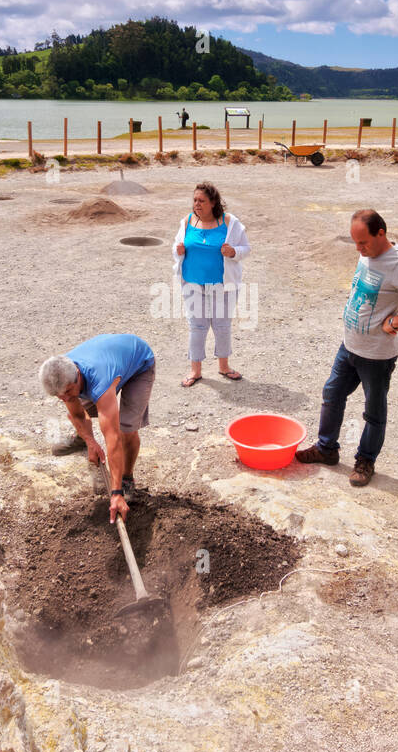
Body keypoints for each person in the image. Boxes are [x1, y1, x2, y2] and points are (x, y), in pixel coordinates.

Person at [296, 209, 398, 487]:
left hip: (376, 355)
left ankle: (365, 460)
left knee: (374, 411)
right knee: (332, 393)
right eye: (355, 243)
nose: (359, 249)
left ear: (381, 234)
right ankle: (326, 449)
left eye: (363, 242)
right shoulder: (369, 253)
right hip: (349, 345)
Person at [39, 333, 155, 524]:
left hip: (139, 364)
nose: (65, 399)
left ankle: (127, 479)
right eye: (59, 396)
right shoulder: (62, 373)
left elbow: (113, 438)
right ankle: (81, 439)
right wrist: (90, 441)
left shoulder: (99, 381)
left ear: (77, 375)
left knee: (126, 428)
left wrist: (116, 493)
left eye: (68, 392)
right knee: (80, 407)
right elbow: (77, 414)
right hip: (110, 361)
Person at [173, 182, 250, 386]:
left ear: (213, 202)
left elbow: (245, 248)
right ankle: (195, 370)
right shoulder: (187, 221)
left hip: (222, 285)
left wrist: (234, 252)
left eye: (202, 201)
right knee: (197, 325)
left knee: (222, 325)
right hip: (192, 284)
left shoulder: (230, 222)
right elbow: (177, 246)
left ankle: (223, 366)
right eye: (195, 200)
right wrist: (178, 250)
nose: (197, 204)